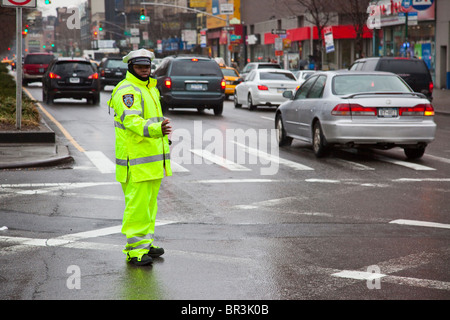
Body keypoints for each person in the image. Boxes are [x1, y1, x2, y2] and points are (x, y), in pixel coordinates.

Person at [108, 48, 172, 266]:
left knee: (149, 206)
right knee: (137, 206)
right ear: (130, 67)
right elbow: (132, 121)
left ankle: (146, 243)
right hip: (135, 161)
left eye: (147, 66)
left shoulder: (149, 88)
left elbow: (153, 119)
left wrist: (162, 135)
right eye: (139, 67)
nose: (145, 70)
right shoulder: (127, 91)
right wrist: (156, 129)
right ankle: (135, 251)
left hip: (151, 159)